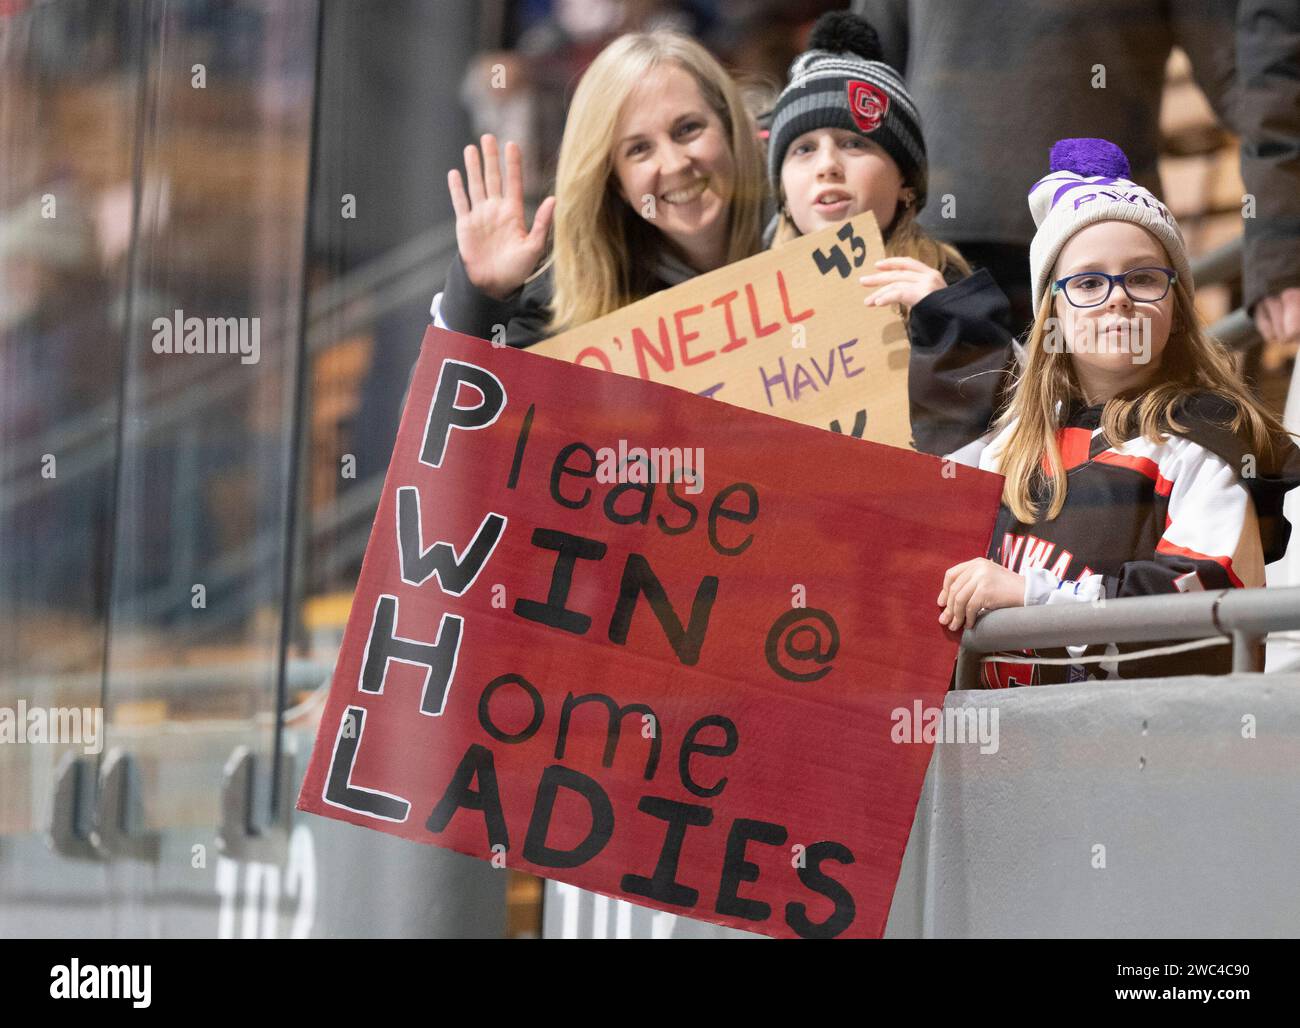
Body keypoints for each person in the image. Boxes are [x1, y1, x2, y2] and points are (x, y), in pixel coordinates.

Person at [928, 139, 1300, 686]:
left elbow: (1195, 618)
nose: (1117, 298)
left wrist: (1034, 599)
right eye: (1087, 282)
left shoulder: (1205, 443)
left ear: (1175, 309)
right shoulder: (1011, 449)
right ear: (1051, 308)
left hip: (1144, 756)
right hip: (1005, 756)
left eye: (1144, 277)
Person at [853, 0, 1300, 347]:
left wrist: (1282, 251)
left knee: (1114, 456)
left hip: (1106, 263)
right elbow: (858, 88)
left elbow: (1253, 91)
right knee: (943, 463)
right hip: (931, 260)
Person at [762, 11, 1012, 456]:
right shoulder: (748, 305)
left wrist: (954, 328)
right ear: (782, 192)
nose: (827, 165)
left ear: (905, 184)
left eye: (854, 143)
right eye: (803, 149)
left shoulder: (956, 294)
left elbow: (1003, 437)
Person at [432, 29, 767, 347]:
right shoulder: (572, 296)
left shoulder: (806, 202)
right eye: (638, 149)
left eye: (688, 129)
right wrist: (480, 299)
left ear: (729, 126)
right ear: (615, 182)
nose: (675, 163)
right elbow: (442, 405)